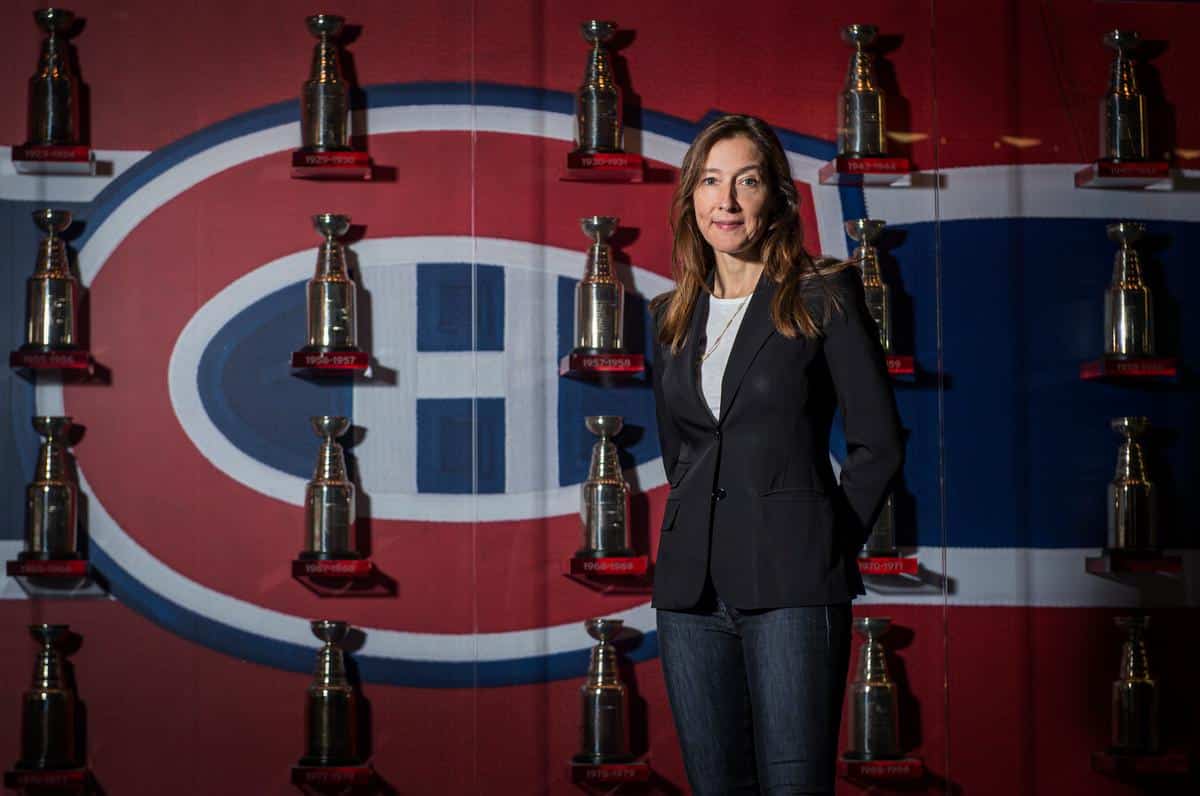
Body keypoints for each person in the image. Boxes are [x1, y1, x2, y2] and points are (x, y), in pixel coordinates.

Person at [649, 114, 904, 795]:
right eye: (710, 181)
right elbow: (684, 458)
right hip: (689, 595)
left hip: (794, 588)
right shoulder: (667, 316)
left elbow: (878, 442)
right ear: (690, 199)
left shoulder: (824, 293)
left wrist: (822, 542)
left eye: (746, 181)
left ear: (776, 199)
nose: (725, 201)